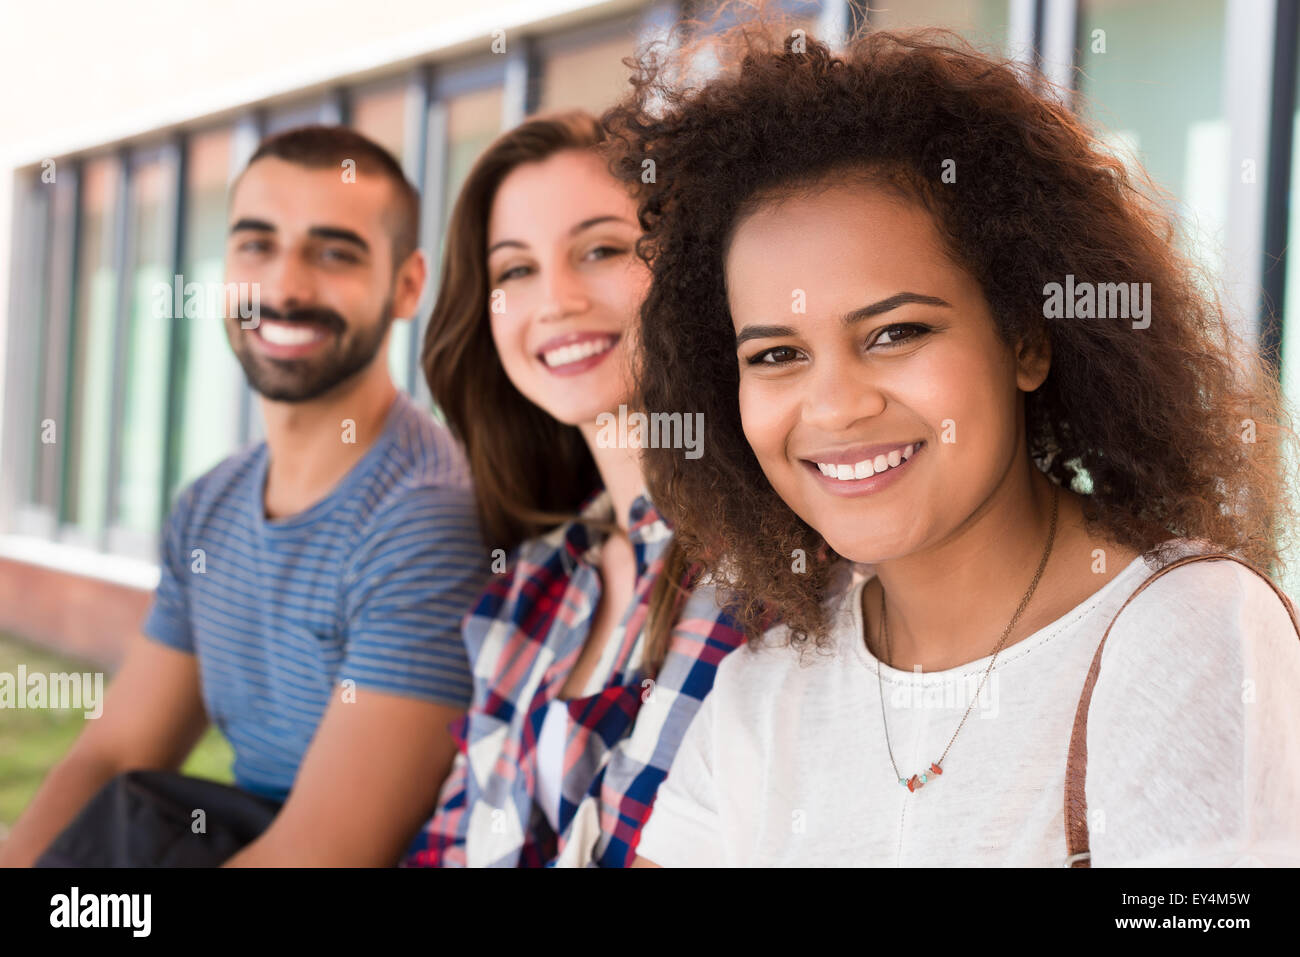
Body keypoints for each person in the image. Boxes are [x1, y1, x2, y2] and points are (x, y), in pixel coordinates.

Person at [599, 15, 1300, 867]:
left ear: (1026, 340)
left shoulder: (1189, 636)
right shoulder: (764, 694)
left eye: (896, 332)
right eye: (777, 354)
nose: (836, 406)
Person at [0, 126, 488, 868]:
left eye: (334, 253)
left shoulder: (425, 516)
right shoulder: (211, 503)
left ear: (408, 285)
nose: (285, 287)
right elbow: (115, 750)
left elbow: (326, 852)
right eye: (257, 244)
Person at [402, 111, 747, 868]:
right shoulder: (530, 585)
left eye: (600, 249)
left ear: (691, 267)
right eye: (515, 270)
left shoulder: (757, 571)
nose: (554, 300)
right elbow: (448, 850)